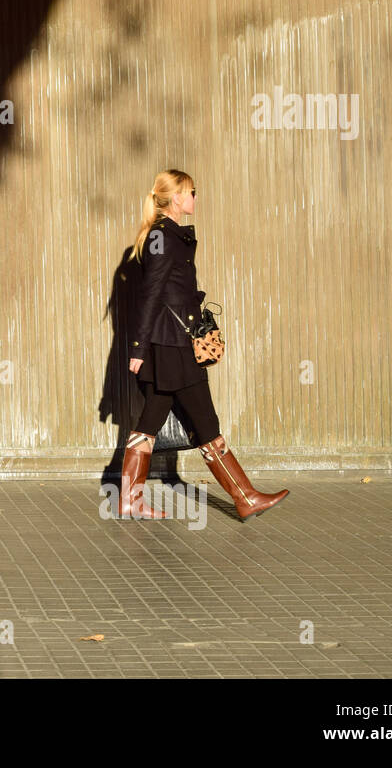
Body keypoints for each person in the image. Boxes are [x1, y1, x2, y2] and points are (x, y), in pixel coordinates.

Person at [119, 169, 289, 521]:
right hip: (173, 346)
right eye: (192, 191)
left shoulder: (168, 235)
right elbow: (150, 295)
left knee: (152, 417)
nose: (196, 197)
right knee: (205, 422)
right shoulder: (163, 236)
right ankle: (245, 497)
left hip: (170, 343)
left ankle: (130, 500)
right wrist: (138, 349)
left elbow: (167, 292)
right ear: (177, 197)